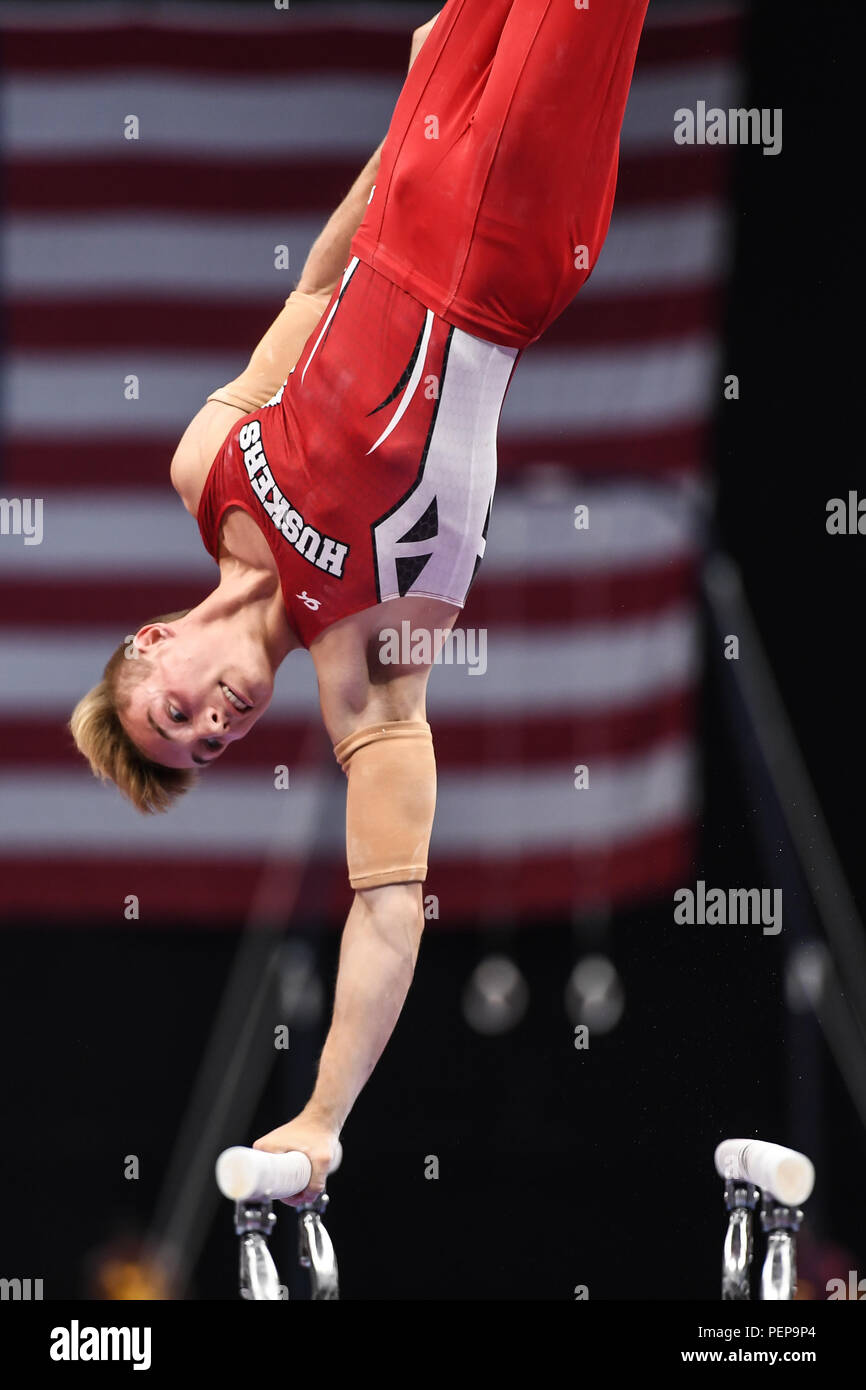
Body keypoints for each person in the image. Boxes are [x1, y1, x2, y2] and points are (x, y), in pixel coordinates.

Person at [70, 0, 649, 1206]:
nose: (211, 728)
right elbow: (388, 910)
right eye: (208, 748)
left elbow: (315, 288)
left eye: (172, 716)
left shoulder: (205, 472)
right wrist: (320, 1117)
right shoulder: (368, 670)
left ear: (150, 642)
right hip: (501, 257)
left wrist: (401, 133)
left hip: (413, 190)